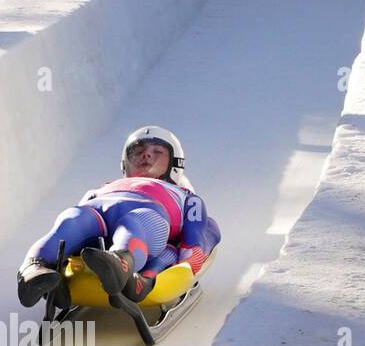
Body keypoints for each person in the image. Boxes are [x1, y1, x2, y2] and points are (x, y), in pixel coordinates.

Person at [16, 126, 221, 307]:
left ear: (174, 164)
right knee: (72, 218)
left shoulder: (186, 195)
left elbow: (198, 234)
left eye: (157, 151)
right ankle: (35, 268)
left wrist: (184, 266)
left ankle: (120, 262)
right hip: (98, 208)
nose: (146, 155)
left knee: (135, 224)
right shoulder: (104, 186)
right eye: (138, 151)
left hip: (148, 213)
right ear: (125, 162)